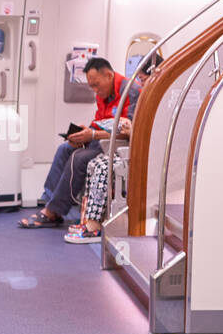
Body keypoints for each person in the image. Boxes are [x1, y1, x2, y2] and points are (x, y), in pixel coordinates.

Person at [19, 57, 137, 228]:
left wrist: (93, 135)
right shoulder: (103, 94)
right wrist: (84, 132)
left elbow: (128, 131)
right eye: (91, 87)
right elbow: (100, 120)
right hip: (102, 139)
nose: (95, 91)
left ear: (109, 76)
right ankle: (49, 202)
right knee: (64, 149)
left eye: (97, 85)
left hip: (117, 145)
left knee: (78, 158)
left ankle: (54, 212)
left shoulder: (131, 92)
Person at [65, 53, 161, 243]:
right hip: (135, 147)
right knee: (93, 164)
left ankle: (93, 226)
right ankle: (92, 220)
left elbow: (155, 134)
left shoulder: (158, 98)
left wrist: (131, 131)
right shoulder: (147, 96)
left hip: (147, 153)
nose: (140, 84)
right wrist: (129, 128)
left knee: (103, 167)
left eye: (143, 79)